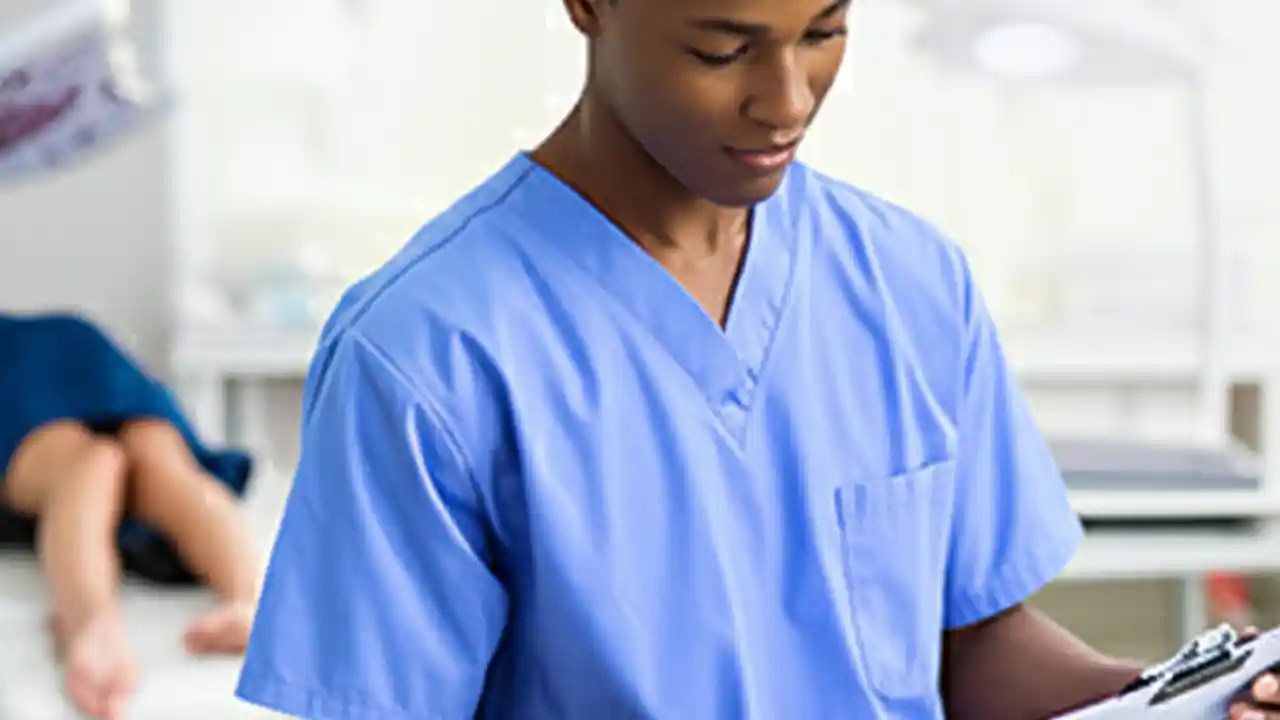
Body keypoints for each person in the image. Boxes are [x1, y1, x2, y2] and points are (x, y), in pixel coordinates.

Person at [235, 1, 1280, 718]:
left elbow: (965, 647)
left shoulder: (910, 284)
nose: (785, 100)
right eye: (722, 49)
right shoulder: (426, 355)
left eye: (823, 31)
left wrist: (1180, 693)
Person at [0, 313, 260, 720]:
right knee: (149, 465)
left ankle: (91, 626)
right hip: (71, 344)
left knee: (104, 463)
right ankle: (248, 602)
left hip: (38, 357)